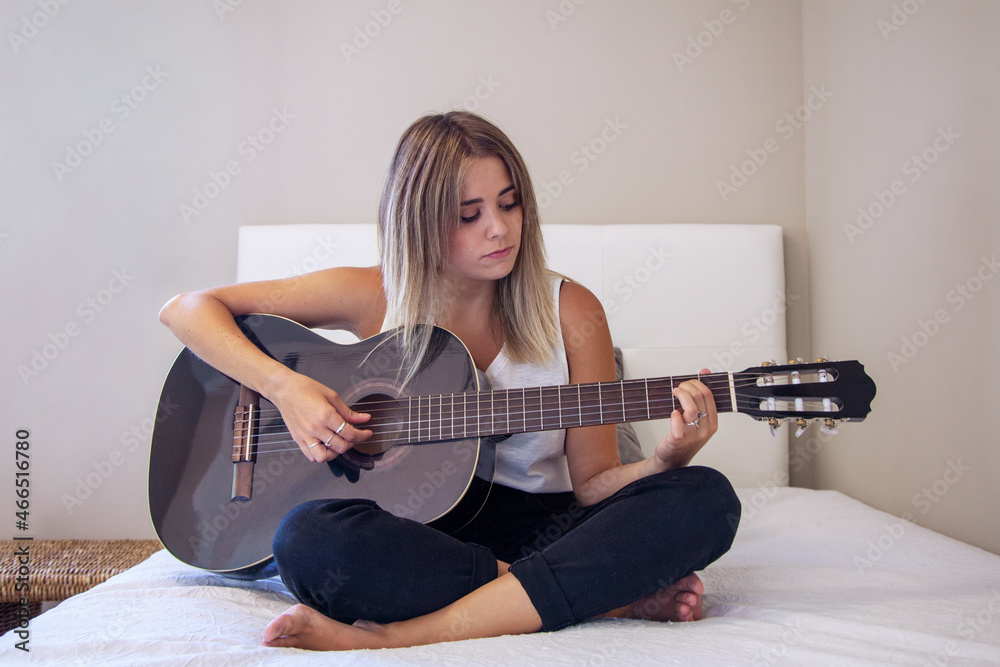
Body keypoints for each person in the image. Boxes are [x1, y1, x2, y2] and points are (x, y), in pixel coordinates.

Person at [158, 111, 741, 651]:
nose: (498, 229)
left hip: (548, 529)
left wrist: (666, 458)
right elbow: (187, 309)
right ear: (420, 221)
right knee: (307, 540)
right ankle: (604, 597)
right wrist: (286, 389)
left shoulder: (571, 310)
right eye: (470, 214)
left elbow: (593, 486)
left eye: (509, 205)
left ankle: (397, 637)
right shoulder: (375, 293)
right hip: (419, 538)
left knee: (706, 499)